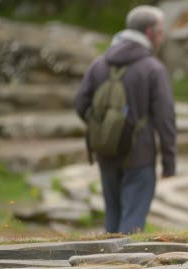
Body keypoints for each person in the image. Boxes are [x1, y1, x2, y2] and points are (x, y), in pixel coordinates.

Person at [74, 5, 176, 234]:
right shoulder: (152, 68)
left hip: (105, 152)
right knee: (133, 221)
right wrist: (169, 160)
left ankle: (106, 264)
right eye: (160, 32)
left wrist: (105, 128)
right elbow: (165, 117)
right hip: (139, 155)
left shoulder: (99, 64)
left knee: (113, 215)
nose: (161, 37)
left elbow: (80, 104)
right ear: (150, 33)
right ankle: (125, 266)